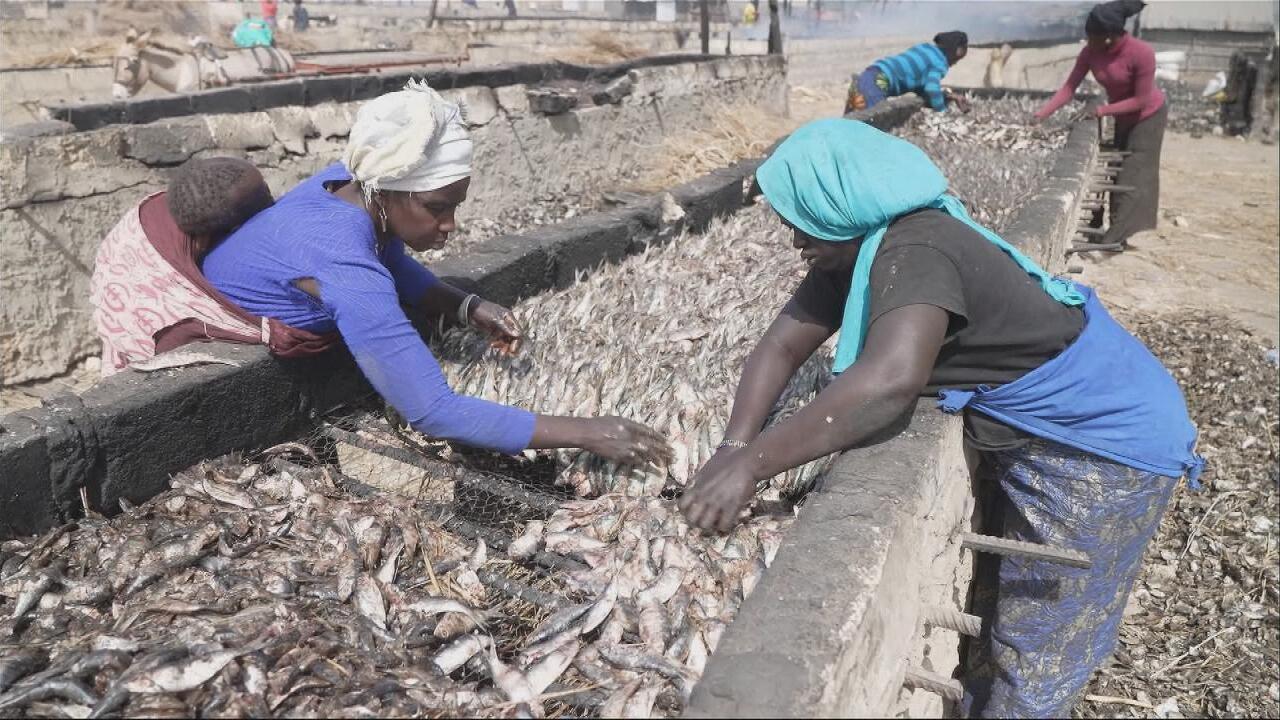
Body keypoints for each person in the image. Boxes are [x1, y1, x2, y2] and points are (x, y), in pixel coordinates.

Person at [677, 118, 1204, 716]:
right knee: (1004, 603)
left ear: (841, 202)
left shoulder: (917, 248)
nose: (794, 238)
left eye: (801, 220)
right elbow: (780, 347)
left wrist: (756, 465)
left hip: (1107, 444)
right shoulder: (855, 251)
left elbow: (889, 383)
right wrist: (730, 446)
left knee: (1039, 636)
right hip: (1052, 426)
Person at [203, 81, 672, 466]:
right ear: (386, 191)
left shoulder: (347, 184)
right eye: (436, 208)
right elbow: (430, 410)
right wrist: (588, 432)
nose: (449, 226)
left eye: (455, 207)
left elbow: (387, 256)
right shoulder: (348, 271)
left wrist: (464, 306)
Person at [91, 157, 335, 375]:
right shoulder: (185, 320)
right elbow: (287, 337)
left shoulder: (171, 207)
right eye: (266, 204)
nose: (274, 206)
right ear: (230, 233)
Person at [1034, 0, 1165, 246]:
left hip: (1147, 117)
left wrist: (1101, 110)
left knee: (1132, 174)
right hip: (1119, 114)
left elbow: (1141, 99)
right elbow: (1069, 87)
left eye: (1091, 37)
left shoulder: (1141, 53)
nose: (1087, 42)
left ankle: (1116, 239)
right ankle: (1099, 226)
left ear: (1108, 37)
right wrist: (1041, 115)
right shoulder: (1090, 52)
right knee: (1116, 172)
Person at [844, 31, 970, 115]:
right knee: (869, 127)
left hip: (868, 76)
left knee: (847, 124)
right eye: (957, 60)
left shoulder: (925, 48)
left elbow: (921, 86)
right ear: (957, 52)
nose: (954, 64)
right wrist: (942, 111)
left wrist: (948, 96)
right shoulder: (939, 63)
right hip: (876, 85)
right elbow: (931, 89)